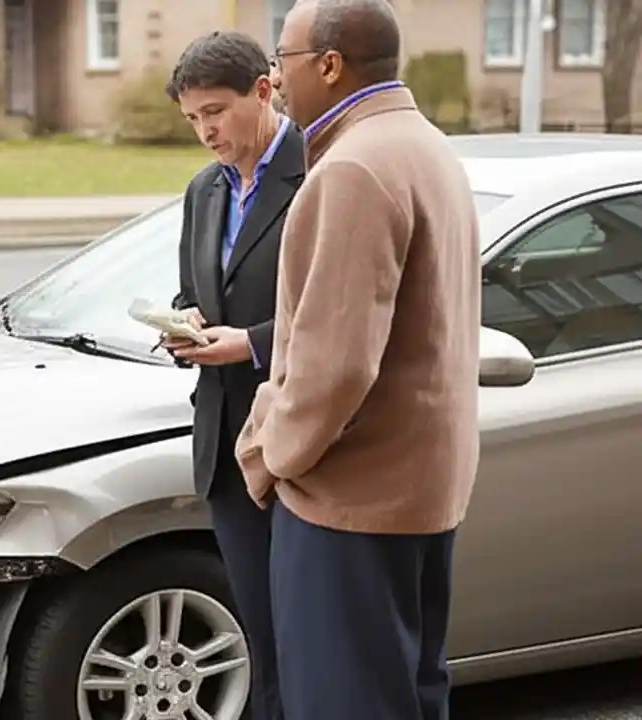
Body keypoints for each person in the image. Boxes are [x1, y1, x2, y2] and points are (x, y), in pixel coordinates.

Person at [234, 0, 482, 718]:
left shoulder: (354, 168)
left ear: (331, 65)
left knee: (342, 702)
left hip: (351, 503)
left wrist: (270, 454)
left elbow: (333, 365)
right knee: (410, 693)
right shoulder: (426, 145)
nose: (276, 81)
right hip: (425, 486)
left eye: (282, 60)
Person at [161, 31, 305, 720]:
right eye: (192, 119)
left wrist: (249, 346)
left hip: (302, 444)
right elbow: (199, 290)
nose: (205, 131)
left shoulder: (323, 173)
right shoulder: (202, 190)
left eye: (215, 111)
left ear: (265, 89)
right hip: (225, 446)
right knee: (261, 635)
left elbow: (348, 317)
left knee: (312, 636)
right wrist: (184, 326)